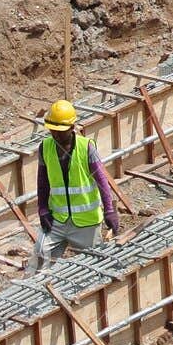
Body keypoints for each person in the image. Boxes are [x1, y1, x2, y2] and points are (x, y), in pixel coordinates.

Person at [37, 100, 121, 260]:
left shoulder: (86, 147)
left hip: (86, 223)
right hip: (57, 221)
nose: (55, 135)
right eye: (53, 130)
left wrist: (109, 210)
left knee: (92, 266)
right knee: (40, 259)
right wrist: (43, 209)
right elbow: (42, 182)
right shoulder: (45, 147)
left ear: (72, 127)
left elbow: (102, 181)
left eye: (60, 131)